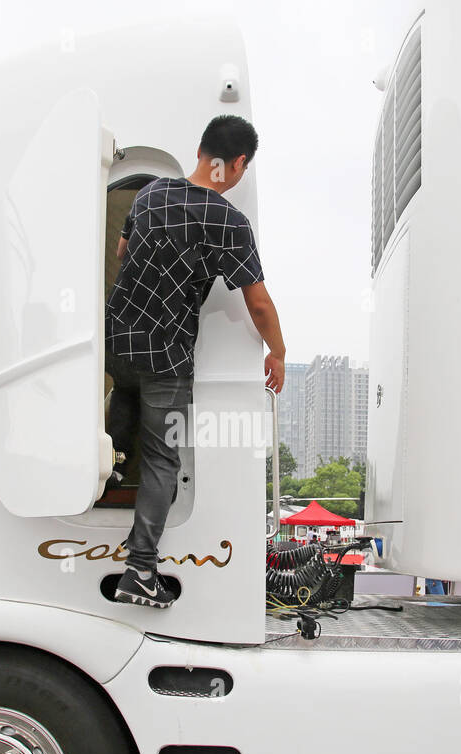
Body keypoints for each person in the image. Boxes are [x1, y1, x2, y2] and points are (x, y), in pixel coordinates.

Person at [105, 114, 287, 608]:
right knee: (165, 459)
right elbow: (259, 304)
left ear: (203, 152)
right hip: (167, 351)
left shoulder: (149, 193)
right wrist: (279, 350)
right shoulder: (227, 222)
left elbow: (123, 252)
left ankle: (111, 467)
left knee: (124, 390)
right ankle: (140, 571)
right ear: (237, 163)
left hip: (118, 337)